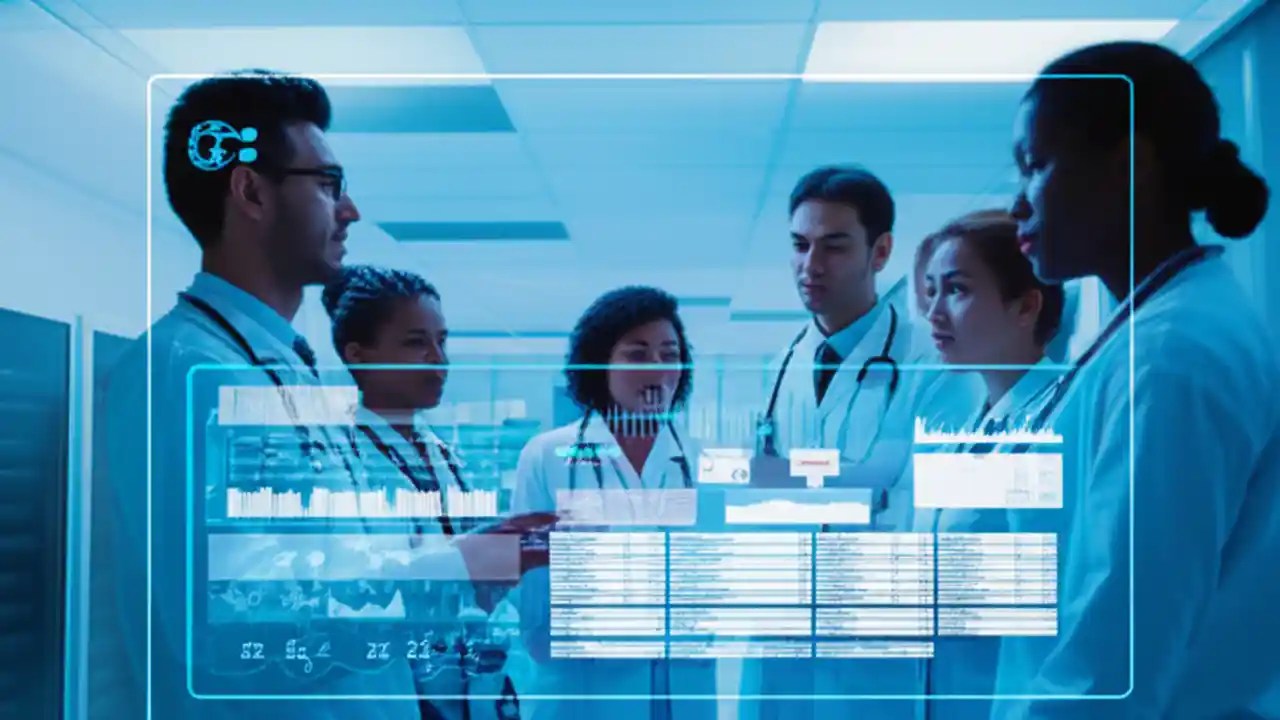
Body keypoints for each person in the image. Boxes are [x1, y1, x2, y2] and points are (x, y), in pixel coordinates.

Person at [97, 72, 550, 720]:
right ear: (250, 190)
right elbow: (236, 629)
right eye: (329, 184)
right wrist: (458, 573)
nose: (350, 210)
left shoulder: (275, 368)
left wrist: (464, 557)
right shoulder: (191, 372)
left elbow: (331, 570)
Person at [991, 41, 1279, 717]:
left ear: (1130, 162)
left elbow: (1112, 667)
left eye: (1035, 166)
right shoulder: (1153, 330)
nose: (1017, 205)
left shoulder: (1172, 354)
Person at [743, 166, 978, 720]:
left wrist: (798, 483)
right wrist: (859, 481)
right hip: (784, 637)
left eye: (834, 246)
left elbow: (931, 512)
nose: (811, 265)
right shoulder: (782, 365)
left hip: (879, 646)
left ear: (881, 251)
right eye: (799, 246)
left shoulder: (933, 364)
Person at [322, 264, 528, 720]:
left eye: (442, 341)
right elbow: (351, 594)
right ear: (359, 355)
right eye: (417, 343)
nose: (438, 358)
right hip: (395, 691)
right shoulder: (336, 460)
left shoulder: (444, 456)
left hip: (464, 687)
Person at [511, 286, 716, 720]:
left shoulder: (704, 464)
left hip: (682, 696)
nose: (658, 370)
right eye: (637, 355)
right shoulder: (547, 456)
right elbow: (533, 609)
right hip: (582, 697)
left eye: (669, 354)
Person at [913, 209, 1065, 719]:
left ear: (1025, 307)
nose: (934, 312)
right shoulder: (964, 430)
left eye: (955, 290)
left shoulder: (1063, 427)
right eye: (930, 291)